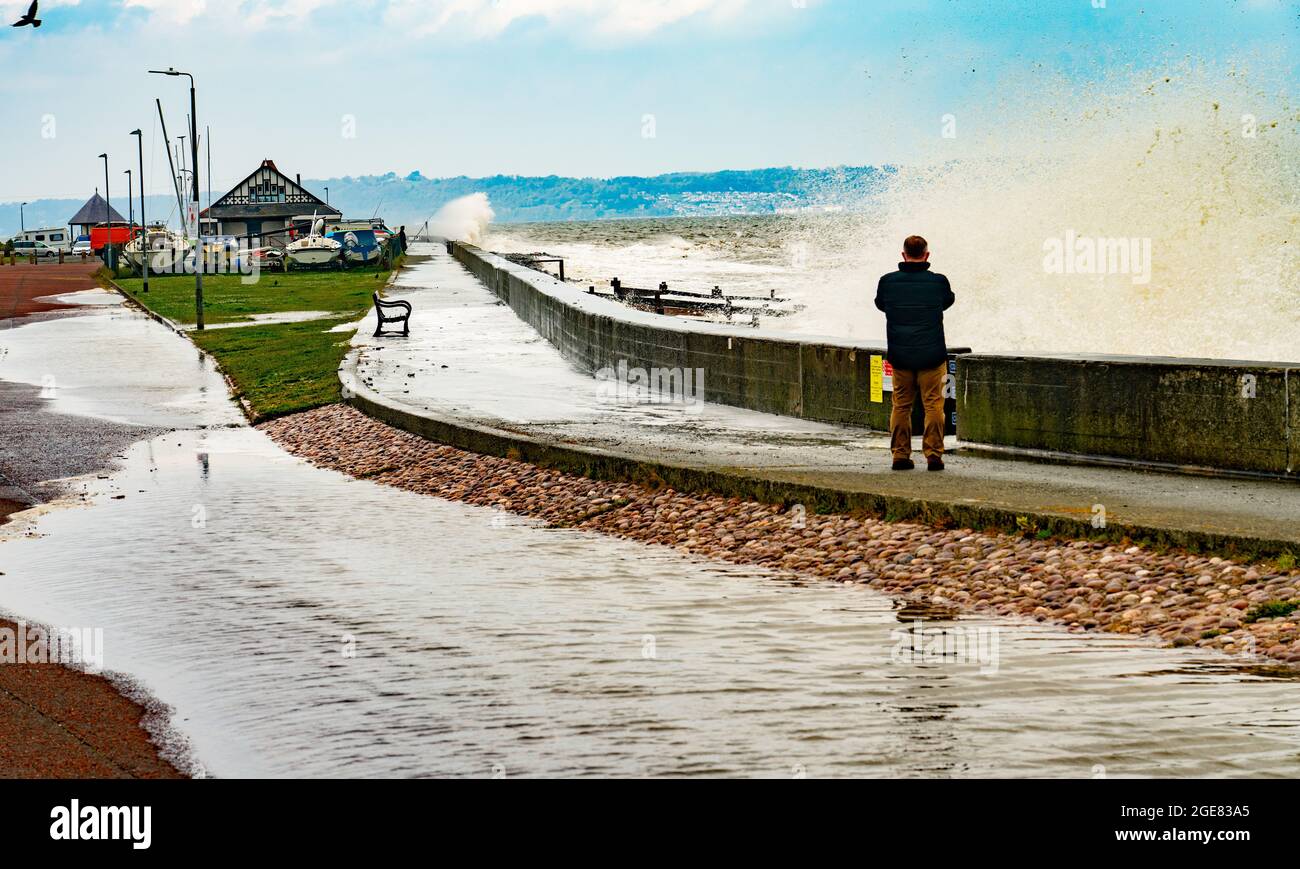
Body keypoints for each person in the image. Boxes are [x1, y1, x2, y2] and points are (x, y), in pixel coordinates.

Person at [874, 235, 955, 472]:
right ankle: (933, 455)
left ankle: (900, 455)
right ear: (926, 255)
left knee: (901, 406)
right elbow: (947, 301)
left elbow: (881, 304)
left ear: (903, 255)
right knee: (934, 407)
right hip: (932, 357)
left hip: (901, 357)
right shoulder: (938, 282)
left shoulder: (887, 282)